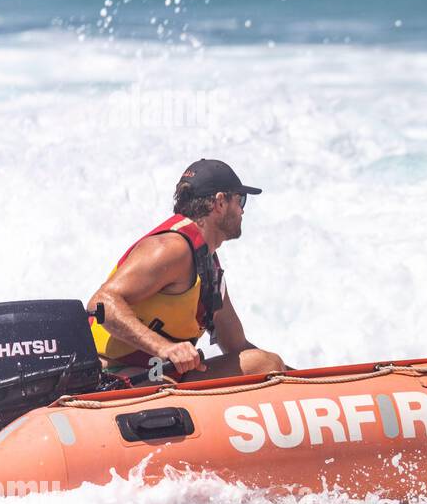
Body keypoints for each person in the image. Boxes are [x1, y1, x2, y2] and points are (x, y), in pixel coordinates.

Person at [88, 159, 287, 383]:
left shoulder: (208, 267)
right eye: (240, 200)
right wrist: (164, 348)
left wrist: (312, 380)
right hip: (112, 372)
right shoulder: (172, 248)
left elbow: (238, 346)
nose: (242, 209)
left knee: (265, 364)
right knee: (162, 384)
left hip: (162, 375)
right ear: (220, 203)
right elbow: (101, 302)